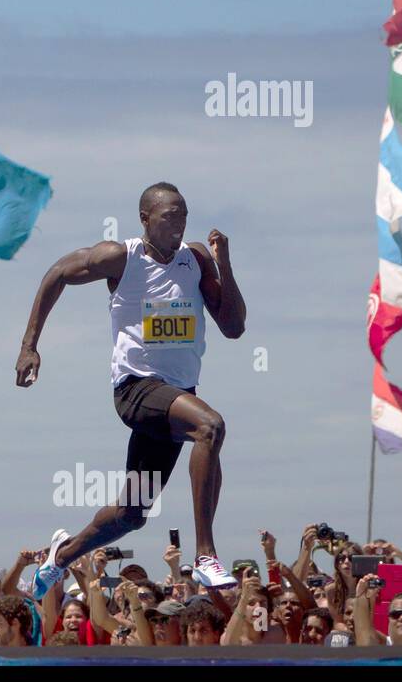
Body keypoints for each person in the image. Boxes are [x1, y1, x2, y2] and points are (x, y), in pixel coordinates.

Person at [17, 183, 246, 595]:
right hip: (136, 390)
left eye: (183, 215)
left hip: (176, 397)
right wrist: (29, 345)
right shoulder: (120, 258)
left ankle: (62, 555)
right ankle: (206, 554)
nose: (178, 223)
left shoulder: (195, 259)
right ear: (145, 218)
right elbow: (56, 274)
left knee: (132, 513)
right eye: (168, 215)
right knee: (210, 426)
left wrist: (223, 265)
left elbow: (233, 327)